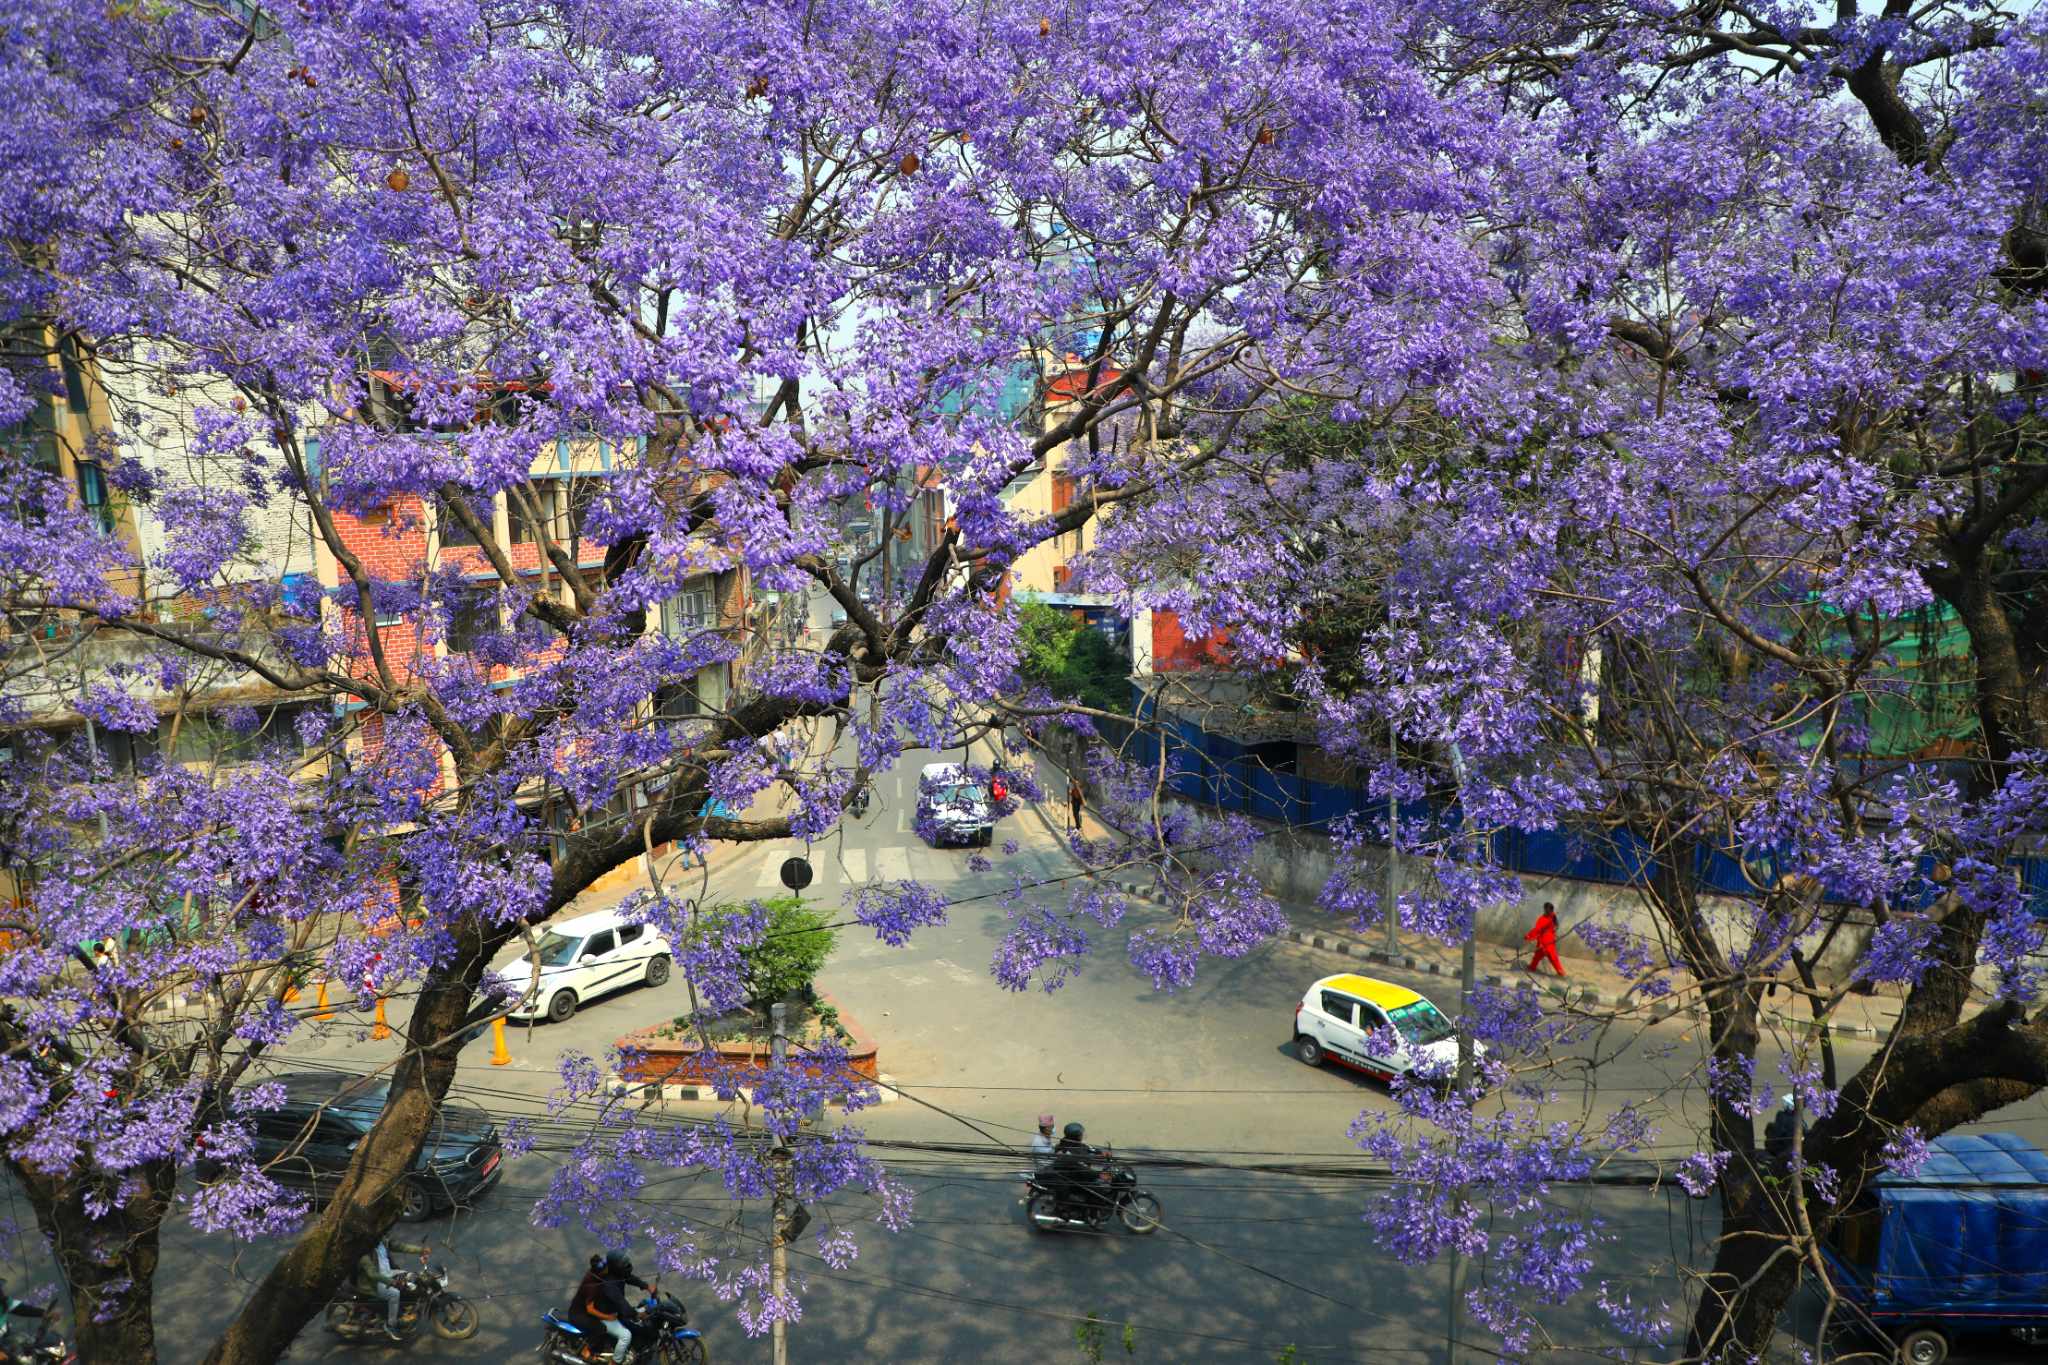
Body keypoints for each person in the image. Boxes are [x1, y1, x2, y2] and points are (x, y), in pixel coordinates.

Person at [355, 1229, 428, 1339]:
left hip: (388, 1274)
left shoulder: (382, 1242)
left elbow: (400, 1246)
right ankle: (391, 1325)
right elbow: (372, 1274)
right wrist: (392, 1282)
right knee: (394, 1294)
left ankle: (404, 1309)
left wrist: (420, 1250)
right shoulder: (364, 1252)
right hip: (373, 1283)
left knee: (411, 1277)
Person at [579, 1252, 651, 1364]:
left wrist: (646, 1286)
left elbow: (629, 1278)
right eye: (624, 1265)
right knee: (626, 1336)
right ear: (616, 1267)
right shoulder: (609, 1284)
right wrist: (637, 1314)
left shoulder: (617, 1274)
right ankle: (615, 1362)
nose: (627, 1267)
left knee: (638, 1314)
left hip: (614, 1311)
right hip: (603, 1315)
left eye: (627, 1264)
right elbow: (622, 1304)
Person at [1049, 1121, 1103, 1216]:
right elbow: (1081, 1166)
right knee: (1097, 1189)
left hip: (1077, 1172)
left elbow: (1088, 1148)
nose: (1082, 1136)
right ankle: (1091, 1214)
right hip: (1071, 1177)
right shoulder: (1067, 1151)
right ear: (1076, 1136)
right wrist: (1099, 1174)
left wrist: (1101, 1153)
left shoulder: (1073, 1143)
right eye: (1081, 1134)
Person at [1525, 901, 1565, 977]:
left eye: (1547, 909)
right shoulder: (1551, 916)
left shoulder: (1545, 918)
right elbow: (1555, 926)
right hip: (1549, 942)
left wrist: (1528, 936)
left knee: (1539, 956)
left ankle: (1532, 968)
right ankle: (1561, 972)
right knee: (1553, 958)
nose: (1546, 911)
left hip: (1544, 942)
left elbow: (1537, 930)